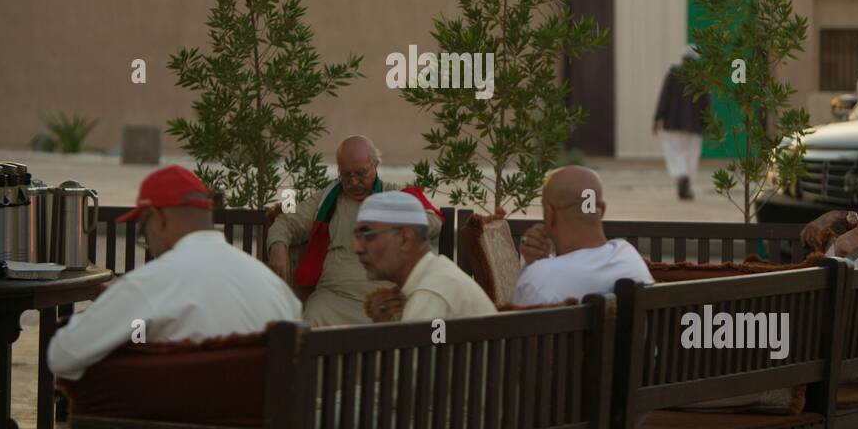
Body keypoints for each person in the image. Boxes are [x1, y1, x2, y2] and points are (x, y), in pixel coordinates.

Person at [46, 166, 302, 381]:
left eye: (143, 226)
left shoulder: (149, 284)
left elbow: (62, 356)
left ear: (158, 218)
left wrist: (115, 304)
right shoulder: (275, 288)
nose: (147, 237)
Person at [266, 135, 443, 326]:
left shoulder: (396, 196)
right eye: (346, 175)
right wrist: (278, 247)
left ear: (375, 165)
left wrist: (400, 221)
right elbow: (287, 222)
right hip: (334, 298)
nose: (354, 182)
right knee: (313, 317)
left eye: (361, 173)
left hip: (385, 298)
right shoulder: (328, 199)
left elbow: (434, 222)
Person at [512, 166, 653, 305]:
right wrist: (540, 261)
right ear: (602, 210)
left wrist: (534, 267)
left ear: (550, 214)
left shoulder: (539, 280)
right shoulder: (627, 255)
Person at [354, 191, 495, 321]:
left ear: (405, 239)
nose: (357, 248)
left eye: (368, 236)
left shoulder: (430, 296)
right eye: (357, 236)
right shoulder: (436, 276)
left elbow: (431, 343)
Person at [653, 45, 710, 200]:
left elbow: (664, 97)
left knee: (674, 153)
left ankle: (681, 176)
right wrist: (708, 125)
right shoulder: (701, 77)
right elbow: (706, 104)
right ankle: (687, 185)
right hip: (694, 126)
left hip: (672, 124)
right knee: (691, 156)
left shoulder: (673, 74)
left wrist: (657, 118)